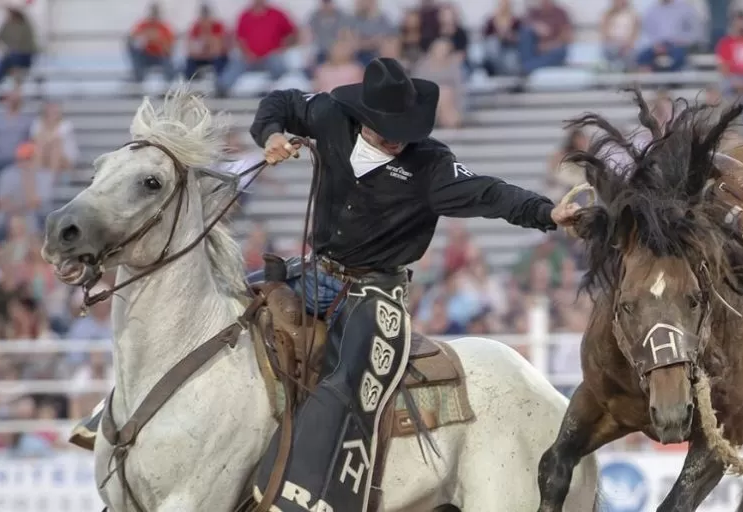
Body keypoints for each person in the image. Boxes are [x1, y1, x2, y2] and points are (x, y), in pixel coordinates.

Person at [246, 57, 578, 512]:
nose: (399, 139)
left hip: (376, 293)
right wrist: (272, 135)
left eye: (406, 128)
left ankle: (310, 497)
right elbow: (281, 102)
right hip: (315, 271)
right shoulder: (329, 117)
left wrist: (547, 212)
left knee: (349, 381)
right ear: (364, 118)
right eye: (388, 128)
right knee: (234, 309)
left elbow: (489, 193)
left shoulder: (431, 166)